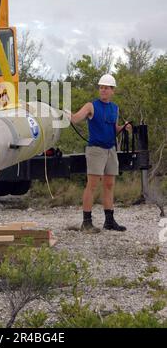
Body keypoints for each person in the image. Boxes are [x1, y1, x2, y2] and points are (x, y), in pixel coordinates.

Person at [67, 74, 131, 234]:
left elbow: (114, 129)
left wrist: (124, 127)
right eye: (101, 87)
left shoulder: (114, 108)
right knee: (92, 185)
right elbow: (75, 119)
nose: (103, 90)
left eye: (107, 87)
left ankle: (109, 221)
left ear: (112, 90)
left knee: (109, 185)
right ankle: (86, 222)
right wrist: (68, 114)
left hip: (111, 149)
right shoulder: (91, 106)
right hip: (96, 150)